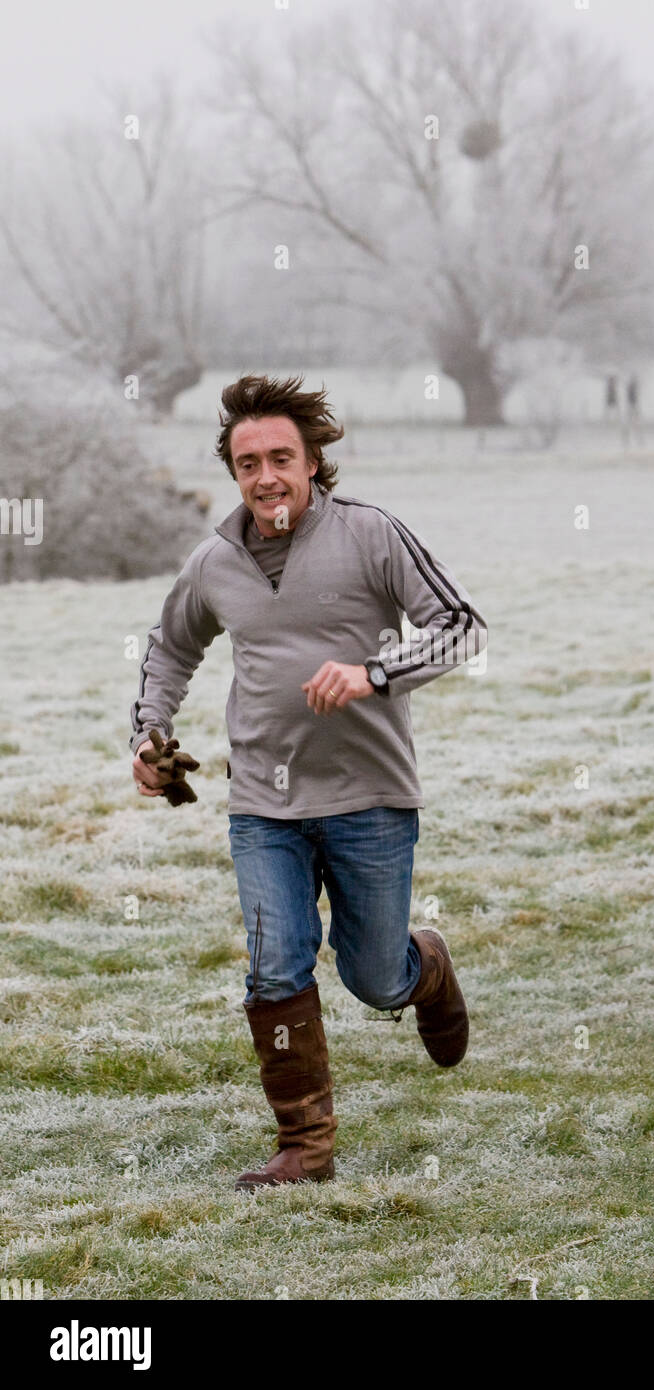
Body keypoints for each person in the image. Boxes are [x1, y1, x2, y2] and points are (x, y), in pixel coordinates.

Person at [130, 374, 488, 1190]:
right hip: (264, 805)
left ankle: (422, 968)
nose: (265, 476)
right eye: (247, 461)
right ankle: (304, 1147)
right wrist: (148, 734)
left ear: (313, 460)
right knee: (276, 964)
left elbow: (462, 629)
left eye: (281, 457)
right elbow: (169, 648)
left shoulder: (372, 536)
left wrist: (373, 671)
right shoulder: (214, 560)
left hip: (370, 800)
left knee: (371, 978)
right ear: (233, 471)